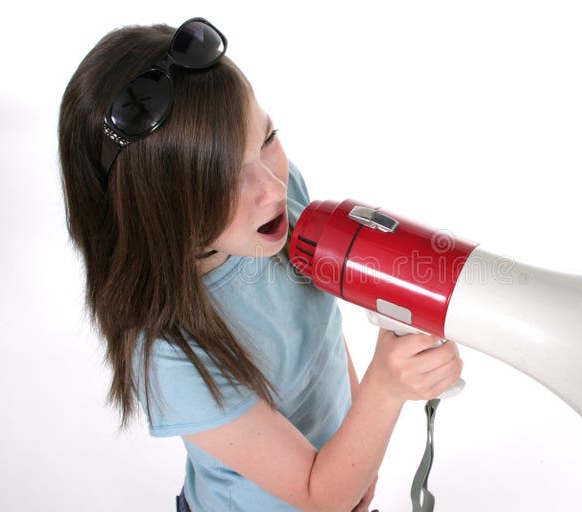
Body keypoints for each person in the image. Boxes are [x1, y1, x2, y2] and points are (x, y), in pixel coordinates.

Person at [58, 17, 463, 512]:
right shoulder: (169, 351)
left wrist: (359, 453)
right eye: (224, 178)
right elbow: (318, 496)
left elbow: (321, 337)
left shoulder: (278, 201)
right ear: (157, 211)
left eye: (267, 138)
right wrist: (385, 392)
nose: (273, 187)